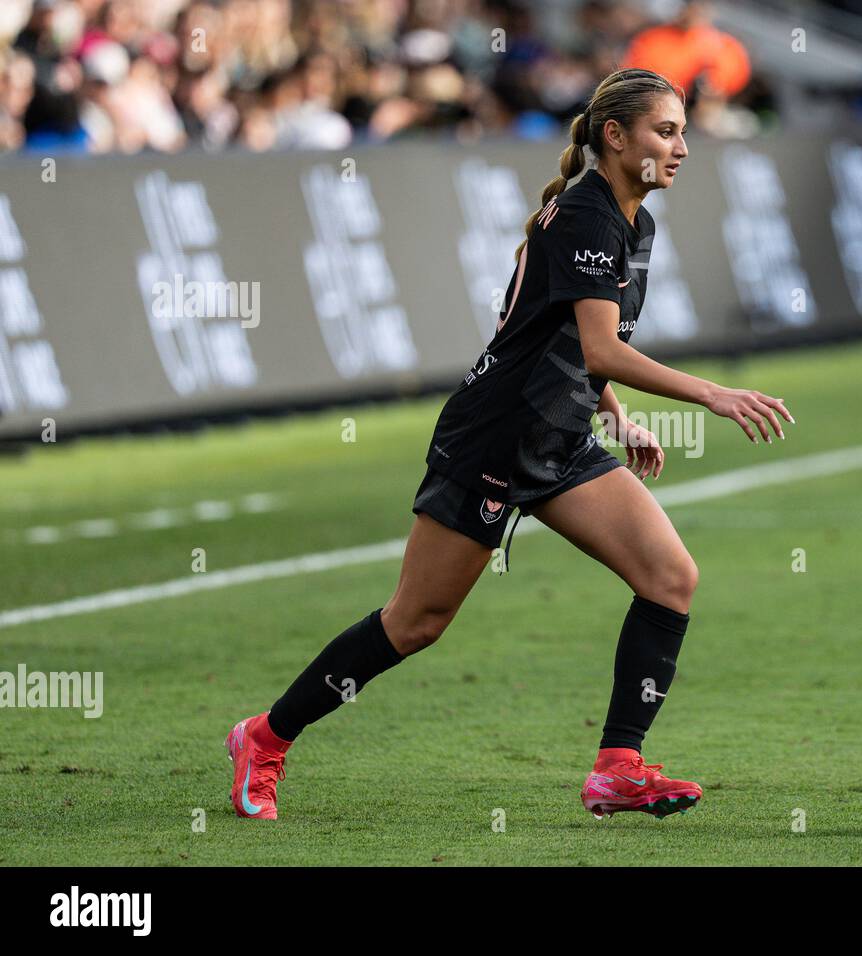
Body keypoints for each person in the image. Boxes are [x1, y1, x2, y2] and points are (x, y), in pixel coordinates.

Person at [225, 67, 793, 821]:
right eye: (666, 130)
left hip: (560, 436)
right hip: (496, 437)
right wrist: (713, 393)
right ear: (615, 137)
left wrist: (615, 415)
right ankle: (265, 738)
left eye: (684, 130)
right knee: (415, 623)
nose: (682, 146)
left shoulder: (634, 223)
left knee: (669, 578)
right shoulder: (588, 216)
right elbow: (596, 347)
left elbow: (564, 337)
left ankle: (617, 767)